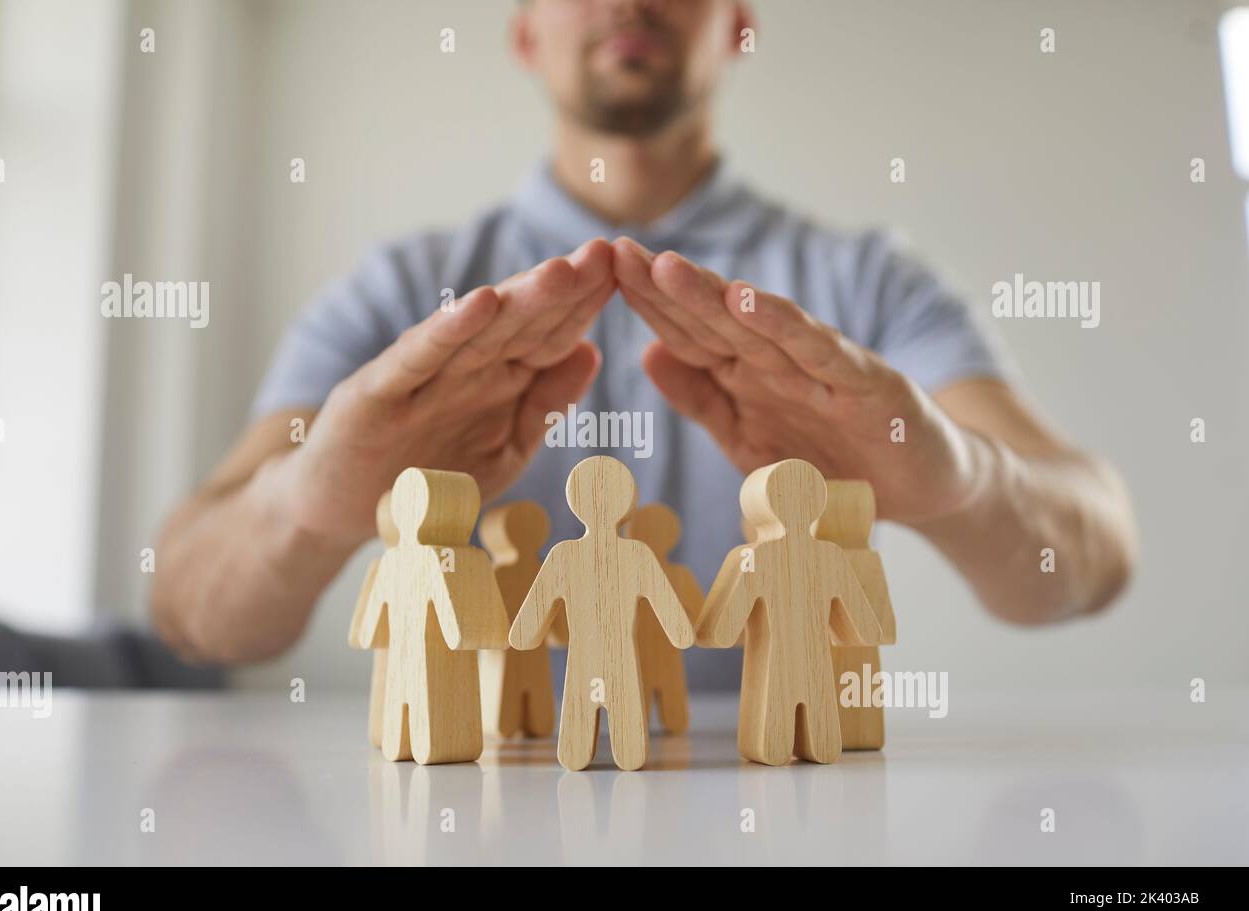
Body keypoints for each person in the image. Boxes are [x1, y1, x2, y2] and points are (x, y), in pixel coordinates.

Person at [151, 0, 1137, 689]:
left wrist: (961, 484)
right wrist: (307, 510)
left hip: (782, 796)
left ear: (738, 23)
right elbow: (187, 607)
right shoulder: (401, 295)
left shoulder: (867, 282)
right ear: (526, 34)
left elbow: (1094, 560)